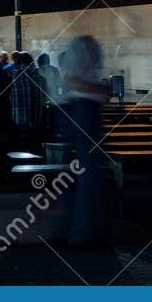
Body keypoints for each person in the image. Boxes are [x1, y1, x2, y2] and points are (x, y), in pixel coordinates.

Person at [58, 35, 111, 249]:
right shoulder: (82, 47)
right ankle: (83, 233)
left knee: (88, 173)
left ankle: (84, 230)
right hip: (85, 111)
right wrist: (101, 90)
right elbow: (70, 80)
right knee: (89, 173)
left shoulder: (82, 46)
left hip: (85, 112)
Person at [9, 51, 46, 135]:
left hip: (18, 117)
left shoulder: (13, 75)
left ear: (18, 62)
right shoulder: (39, 73)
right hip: (36, 116)